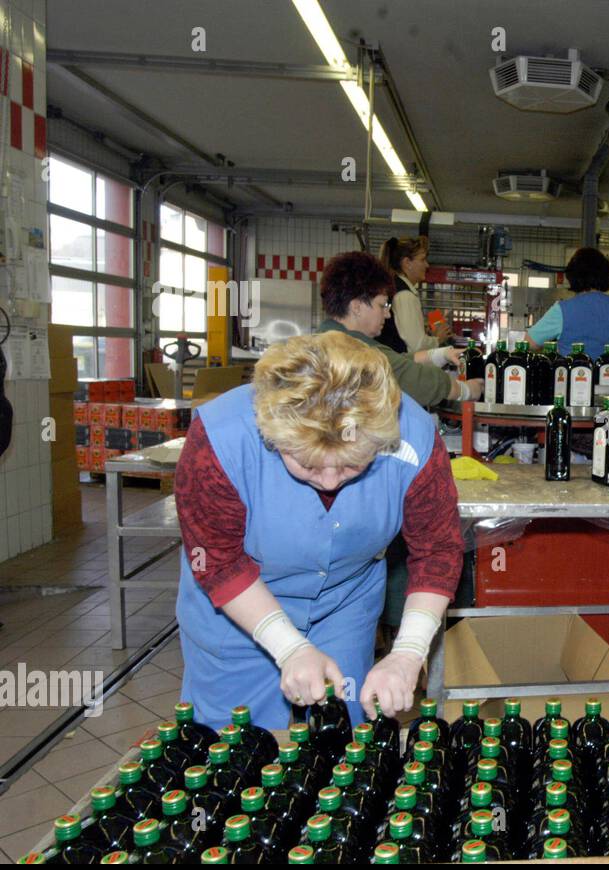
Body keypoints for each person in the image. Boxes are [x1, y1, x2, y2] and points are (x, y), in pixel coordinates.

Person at [173, 331, 464, 727]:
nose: (329, 481)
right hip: (237, 613)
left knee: (339, 736)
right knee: (235, 746)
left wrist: (408, 652)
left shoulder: (414, 437)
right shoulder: (220, 439)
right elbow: (219, 561)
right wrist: (288, 647)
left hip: (344, 604)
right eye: (308, 466)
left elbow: (437, 550)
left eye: (350, 465)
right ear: (273, 437)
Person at [318, 251, 483, 406]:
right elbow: (412, 378)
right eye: (382, 305)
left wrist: (442, 354)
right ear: (356, 307)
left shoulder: (328, 338)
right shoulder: (353, 351)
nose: (387, 314)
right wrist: (467, 390)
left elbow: (396, 361)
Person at [526, 246, 609, 366]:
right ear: (606, 275)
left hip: (577, 385)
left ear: (572, 276)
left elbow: (529, 343)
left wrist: (553, 347)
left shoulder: (562, 310)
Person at [378, 235, 452, 355]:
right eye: (422, 260)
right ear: (407, 263)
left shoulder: (396, 287)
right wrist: (438, 339)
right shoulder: (405, 295)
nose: (427, 265)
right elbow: (417, 346)